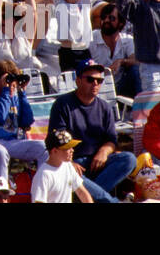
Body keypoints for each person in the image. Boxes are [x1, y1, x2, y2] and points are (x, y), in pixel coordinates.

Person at [46, 59, 137, 202]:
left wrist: (103, 152)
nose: (95, 84)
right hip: (72, 162)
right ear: (78, 81)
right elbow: (56, 140)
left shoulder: (105, 107)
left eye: (99, 80)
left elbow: (111, 140)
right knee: (70, 172)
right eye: (90, 79)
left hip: (97, 162)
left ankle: (86, 195)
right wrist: (69, 163)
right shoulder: (63, 104)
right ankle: (109, 200)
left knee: (129, 159)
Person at [30, 128, 93, 203]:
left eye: (72, 147)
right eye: (67, 148)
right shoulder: (44, 175)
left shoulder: (68, 166)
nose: (72, 150)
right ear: (54, 151)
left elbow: (82, 192)